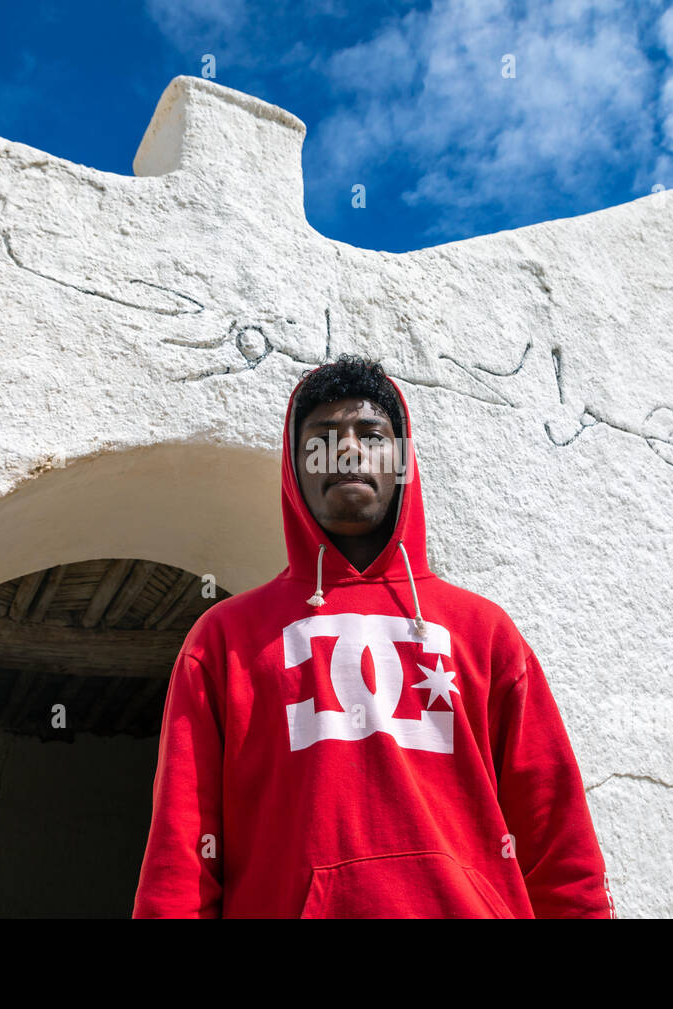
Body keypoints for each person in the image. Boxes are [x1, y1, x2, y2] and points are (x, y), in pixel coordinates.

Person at [132, 354, 614, 918]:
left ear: (403, 461)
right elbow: (181, 856)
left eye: (371, 434)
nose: (348, 451)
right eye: (323, 438)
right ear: (295, 467)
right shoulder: (225, 640)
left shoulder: (485, 632)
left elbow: (557, 839)